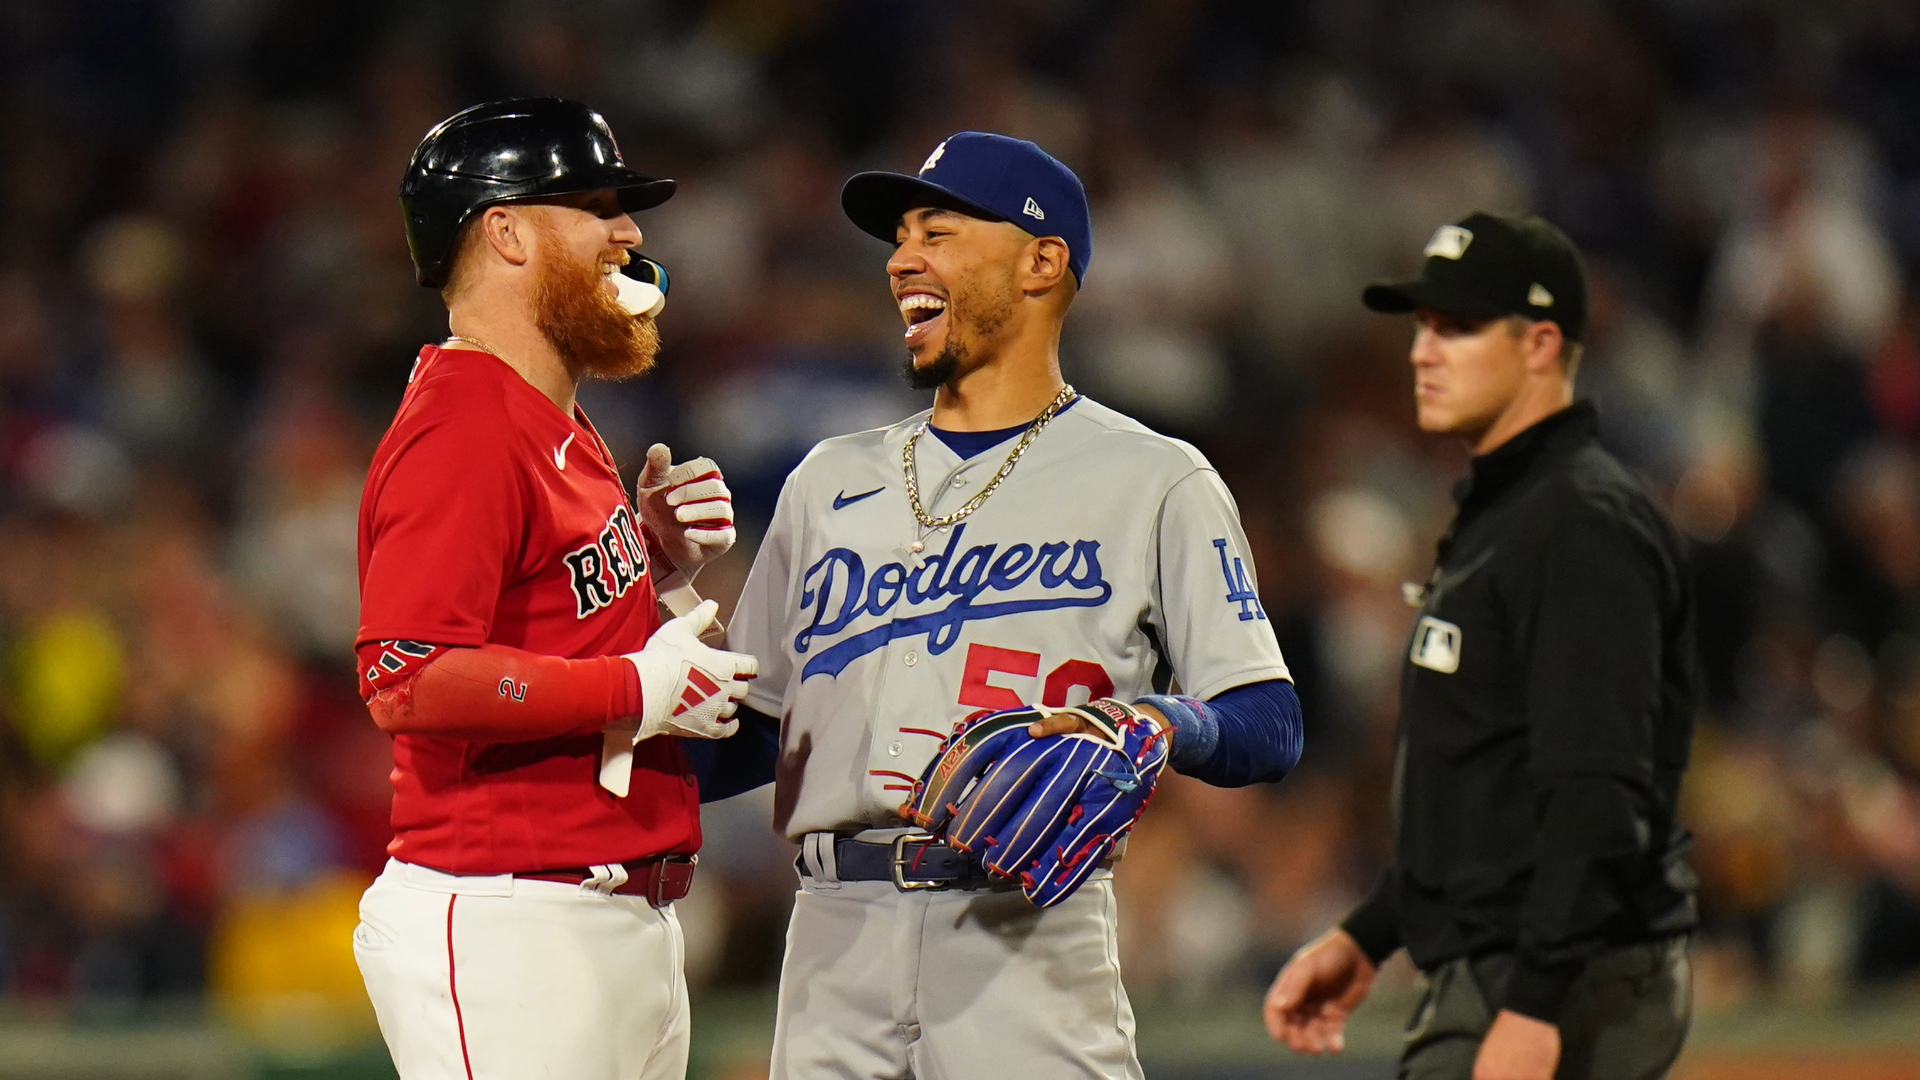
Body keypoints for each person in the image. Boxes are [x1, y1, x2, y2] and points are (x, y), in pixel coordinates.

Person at [725, 131, 1305, 1079]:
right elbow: (757, 731)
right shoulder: (827, 481)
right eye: (900, 236)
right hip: (833, 940)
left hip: (1025, 939)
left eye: (939, 230)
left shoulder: (1152, 479)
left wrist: (1152, 723)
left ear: (1042, 262)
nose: (903, 258)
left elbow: (1267, 720)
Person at [350, 97, 769, 1080]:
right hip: (511, 921)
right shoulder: (465, 424)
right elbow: (407, 677)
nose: (628, 230)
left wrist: (651, 564)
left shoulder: (547, 414)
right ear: (505, 231)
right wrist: (634, 689)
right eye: (591, 202)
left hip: (610, 919)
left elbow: (533, 624)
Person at [1264, 212, 1698, 1080]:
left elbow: (1599, 791)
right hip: (1506, 959)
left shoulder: (1579, 522)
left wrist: (1534, 1007)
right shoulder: (1505, 512)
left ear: (1540, 344)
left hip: (1557, 972)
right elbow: (1483, 789)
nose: (1424, 351)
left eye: (1457, 328)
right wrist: (1375, 931)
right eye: (1423, 326)